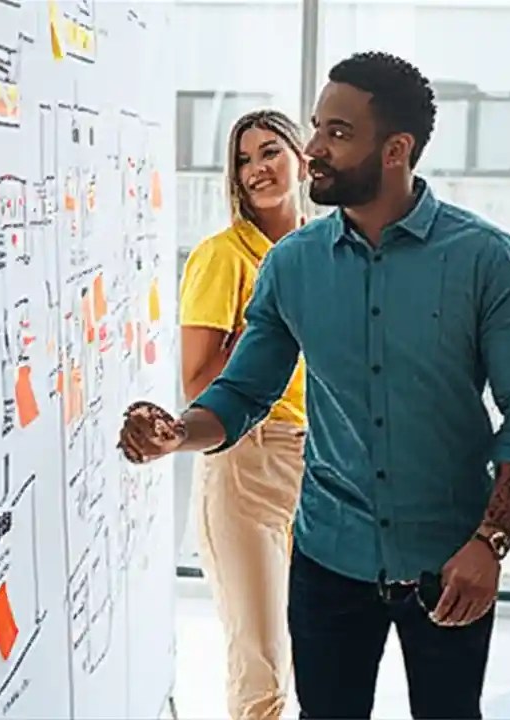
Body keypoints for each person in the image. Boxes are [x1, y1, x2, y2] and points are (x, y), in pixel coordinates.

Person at [118, 51, 510, 718]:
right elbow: (241, 394)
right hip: (327, 557)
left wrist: (491, 541)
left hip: (452, 560)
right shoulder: (291, 265)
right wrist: (180, 433)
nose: (314, 148)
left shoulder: (486, 260)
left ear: (396, 149)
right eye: (317, 126)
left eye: (338, 133)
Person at [178, 109, 309, 720]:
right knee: (259, 658)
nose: (257, 169)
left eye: (270, 152)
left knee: (317, 649)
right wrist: (261, 336)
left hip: (321, 463)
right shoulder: (222, 257)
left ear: (301, 158)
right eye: (243, 160)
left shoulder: (325, 250)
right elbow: (198, 382)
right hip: (245, 466)